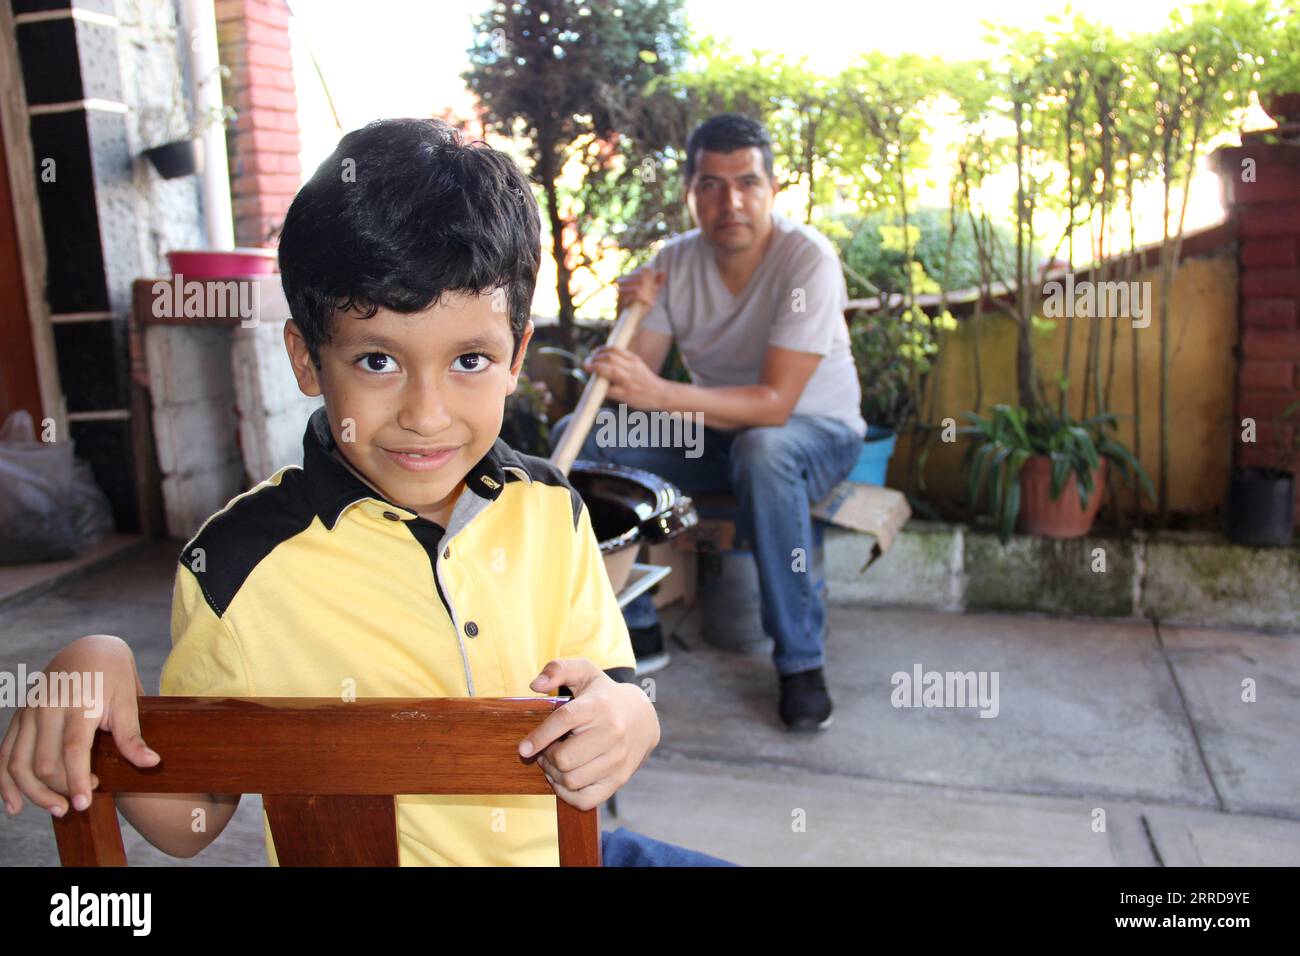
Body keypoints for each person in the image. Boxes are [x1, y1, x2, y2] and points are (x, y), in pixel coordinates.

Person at [0, 118, 731, 867]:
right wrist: (94, 673)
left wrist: (632, 713)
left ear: (517, 355)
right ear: (308, 360)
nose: (426, 414)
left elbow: (607, 685)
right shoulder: (236, 567)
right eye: (378, 361)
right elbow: (191, 821)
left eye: (470, 359)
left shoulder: (552, 511)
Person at [549, 113, 866, 733]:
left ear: (773, 189)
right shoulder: (674, 261)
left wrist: (662, 394)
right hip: (718, 432)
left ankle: (801, 663)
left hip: (814, 433)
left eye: (747, 183)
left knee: (765, 450)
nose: (731, 202)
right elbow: (636, 393)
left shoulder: (808, 260)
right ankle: (631, 623)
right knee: (580, 440)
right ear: (691, 193)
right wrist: (630, 318)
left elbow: (776, 403)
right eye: (711, 186)